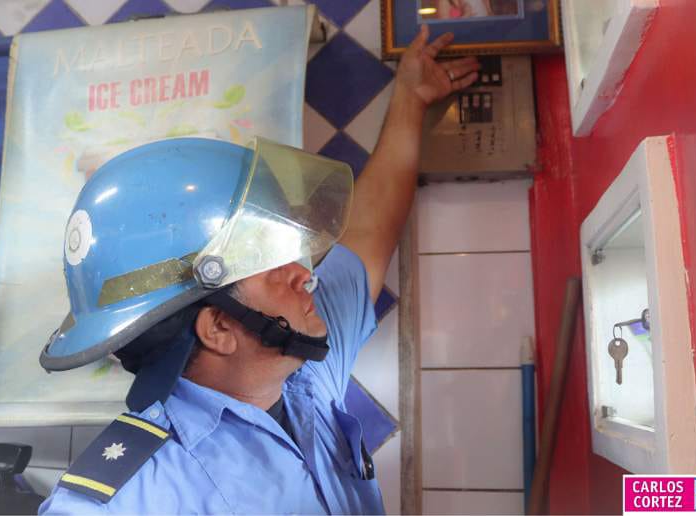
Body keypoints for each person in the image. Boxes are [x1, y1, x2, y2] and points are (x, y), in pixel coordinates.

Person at [38, 26, 478, 515]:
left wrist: (411, 99)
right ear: (220, 326)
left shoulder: (303, 376)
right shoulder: (122, 501)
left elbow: (370, 232)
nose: (304, 275)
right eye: (271, 266)